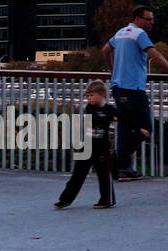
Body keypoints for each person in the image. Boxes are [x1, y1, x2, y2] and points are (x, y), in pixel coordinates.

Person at [103, 5, 168, 181]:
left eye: (152, 20)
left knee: (124, 127)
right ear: (137, 19)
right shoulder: (138, 34)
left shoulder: (120, 33)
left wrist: (113, 70)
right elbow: (155, 54)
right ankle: (120, 160)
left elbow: (105, 50)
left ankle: (123, 168)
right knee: (146, 128)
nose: (152, 23)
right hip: (133, 88)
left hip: (118, 87)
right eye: (148, 19)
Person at [55, 80, 147, 209]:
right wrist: (108, 118)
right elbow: (94, 119)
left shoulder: (110, 109)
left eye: (92, 95)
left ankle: (107, 200)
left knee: (104, 174)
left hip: (102, 147)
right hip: (87, 146)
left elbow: (124, 119)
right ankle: (65, 199)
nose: (89, 98)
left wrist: (140, 129)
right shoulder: (90, 108)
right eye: (88, 96)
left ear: (102, 94)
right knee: (78, 174)